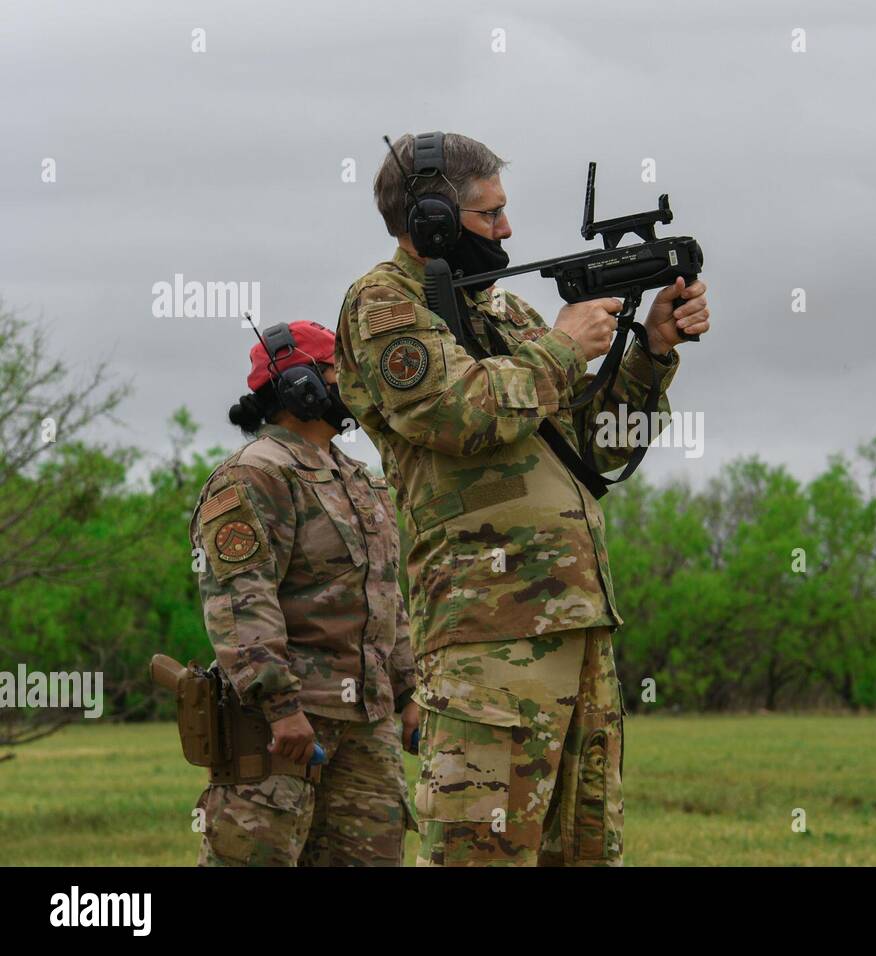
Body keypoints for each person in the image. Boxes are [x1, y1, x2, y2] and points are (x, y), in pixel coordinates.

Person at [334, 131, 711, 866]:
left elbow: (598, 446)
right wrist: (565, 348)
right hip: (488, 639)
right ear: (432, 221)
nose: (507, 230)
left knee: (585, 850)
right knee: (483, 853)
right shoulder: (382, 307)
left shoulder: (506, 315)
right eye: (489, 214)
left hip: (577, 627)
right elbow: (459, 414)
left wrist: (653, 351)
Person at [189, 320, 419, 866]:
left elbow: (387, 597)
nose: (356, 386)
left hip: (367, 722)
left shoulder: (359, 477)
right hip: (284, 729)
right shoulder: (254, 476)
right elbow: (241, 598)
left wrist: (408, 693)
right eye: (341, 372)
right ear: (302, 387)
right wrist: (280, 705)